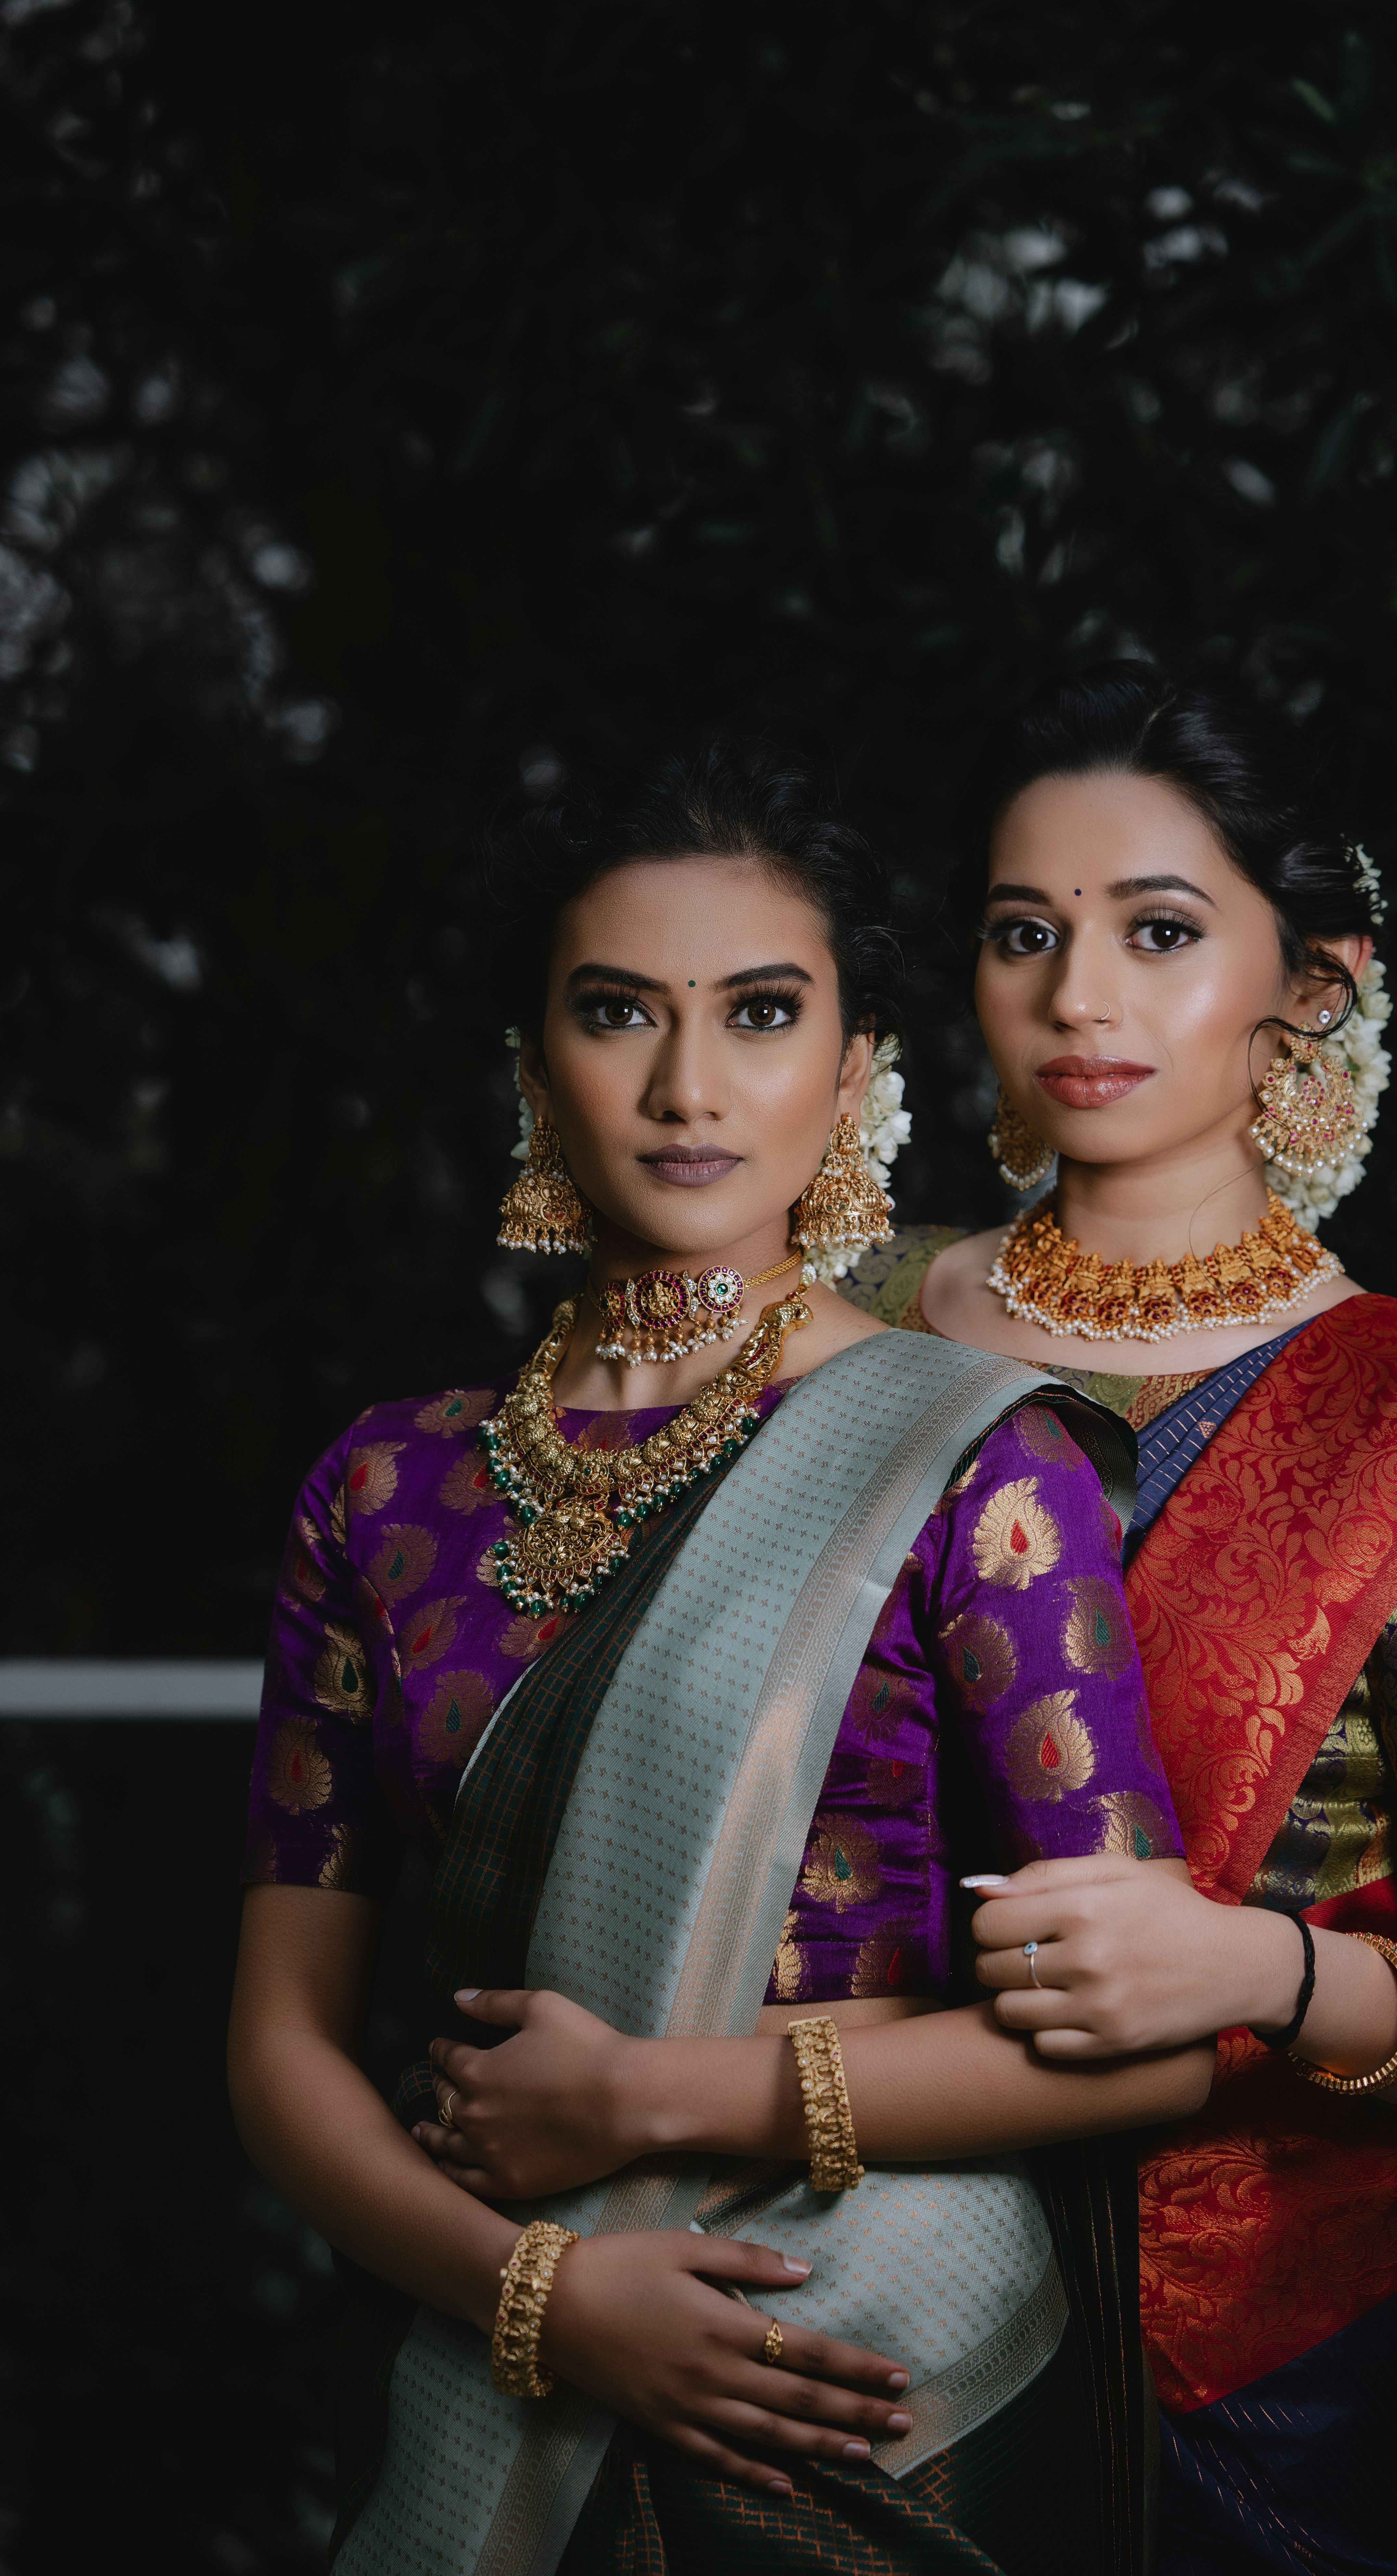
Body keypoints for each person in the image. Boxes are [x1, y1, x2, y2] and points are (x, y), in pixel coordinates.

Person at [227, 737, 1218, 2576]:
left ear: (853, 1071)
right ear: (537, 1065)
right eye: (619, 1014)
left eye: (760, 1014)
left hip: (868, 2353)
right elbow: (281, 2046)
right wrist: (544, 2296)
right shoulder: (386, 1485)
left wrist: (657, 2100)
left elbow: (1145, 2052)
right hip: (489, 2337)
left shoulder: (970, 1450)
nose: (689, 1087)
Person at [837, 663, 1397, 2576]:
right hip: (824, 2298)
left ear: (1312, 985)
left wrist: (1257, 1977)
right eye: (1025, 935)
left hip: (1277, 2383)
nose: (1077, 999)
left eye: (1158, 933)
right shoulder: (829, 1320)